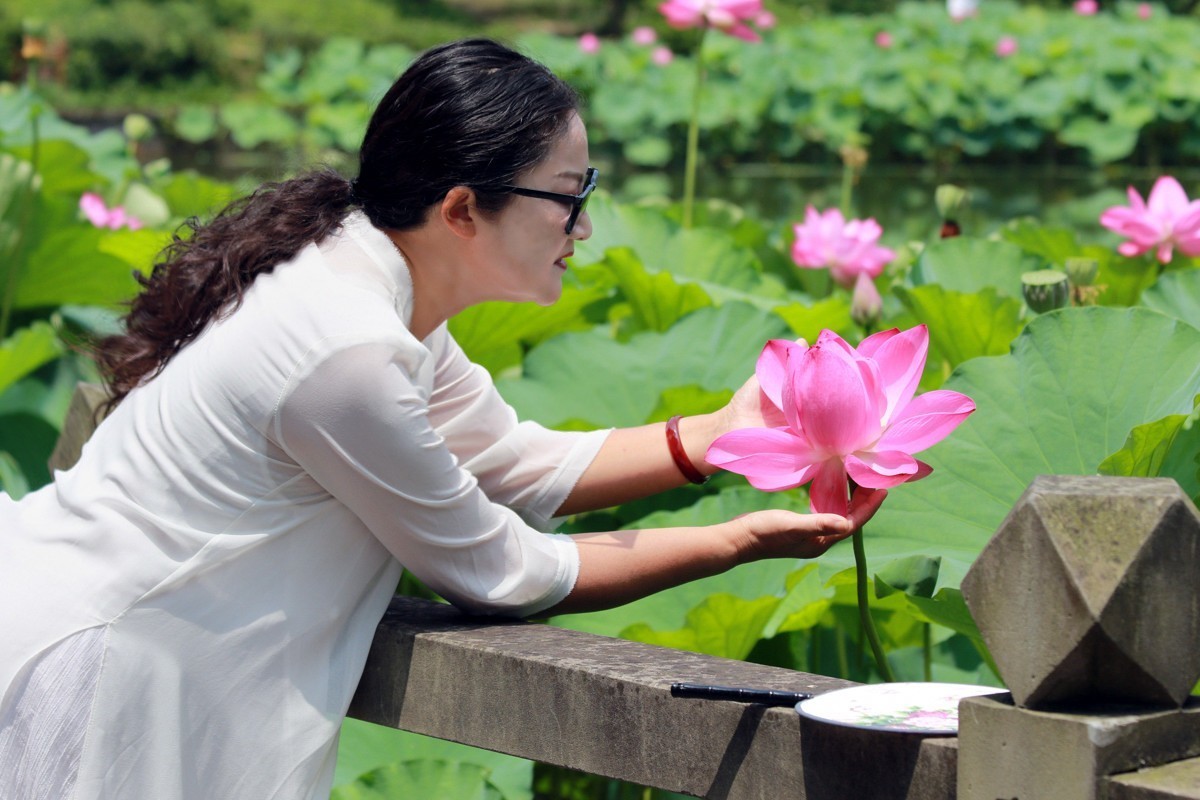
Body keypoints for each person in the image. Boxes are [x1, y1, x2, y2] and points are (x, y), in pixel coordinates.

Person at [0, 38, 885, 800]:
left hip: (121, 636)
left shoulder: (366, 283)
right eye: (568, 197)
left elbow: (513, 464)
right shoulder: (344, 348)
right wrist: (737, 542)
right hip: (98, 665)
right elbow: (503, 573)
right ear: (463, 207)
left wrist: (724, 432)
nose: (583, 228)